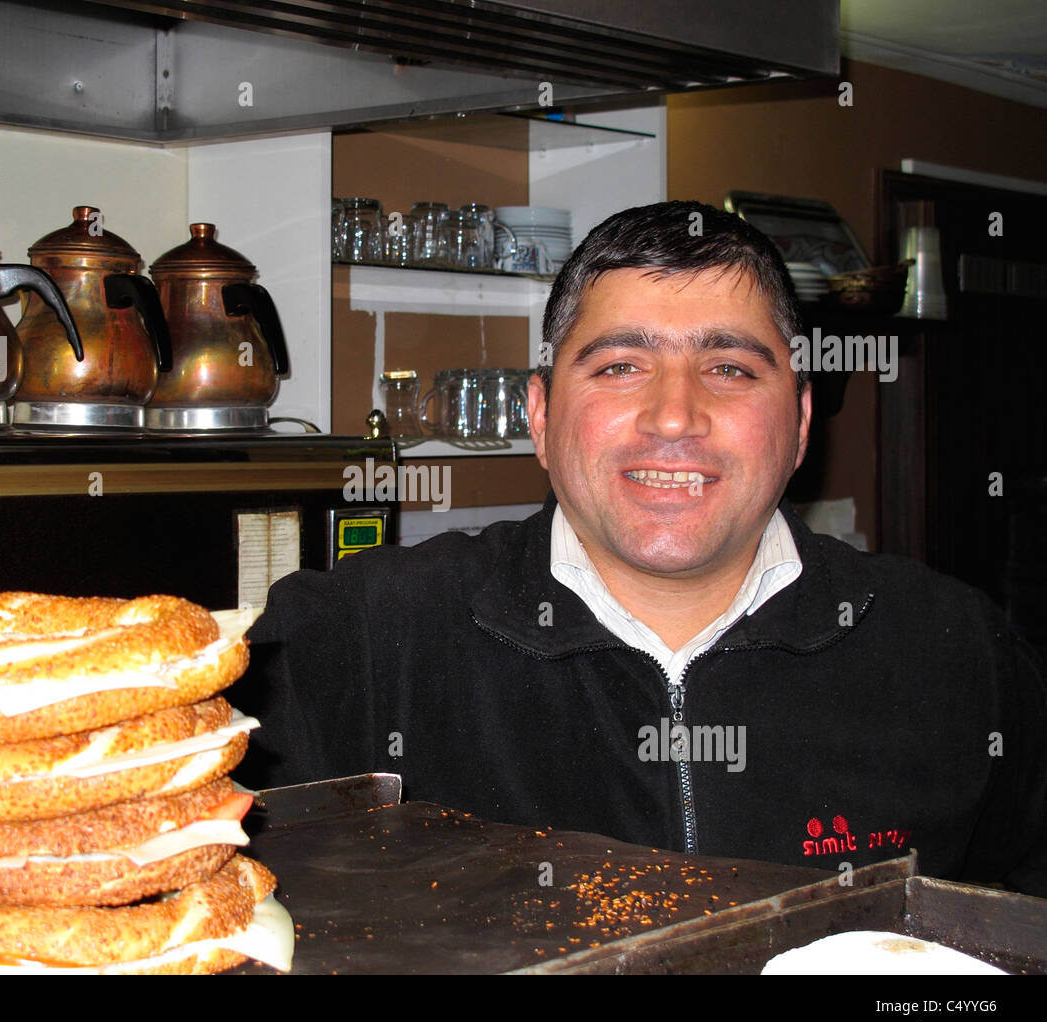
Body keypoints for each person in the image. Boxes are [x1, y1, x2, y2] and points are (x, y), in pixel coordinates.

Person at [231, 201, 1047, 897]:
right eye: (621, 365)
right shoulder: (359, 641)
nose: (673, 416)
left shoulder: (960, 654)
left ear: (799, 423)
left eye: (728, 367)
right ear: (542, 417)